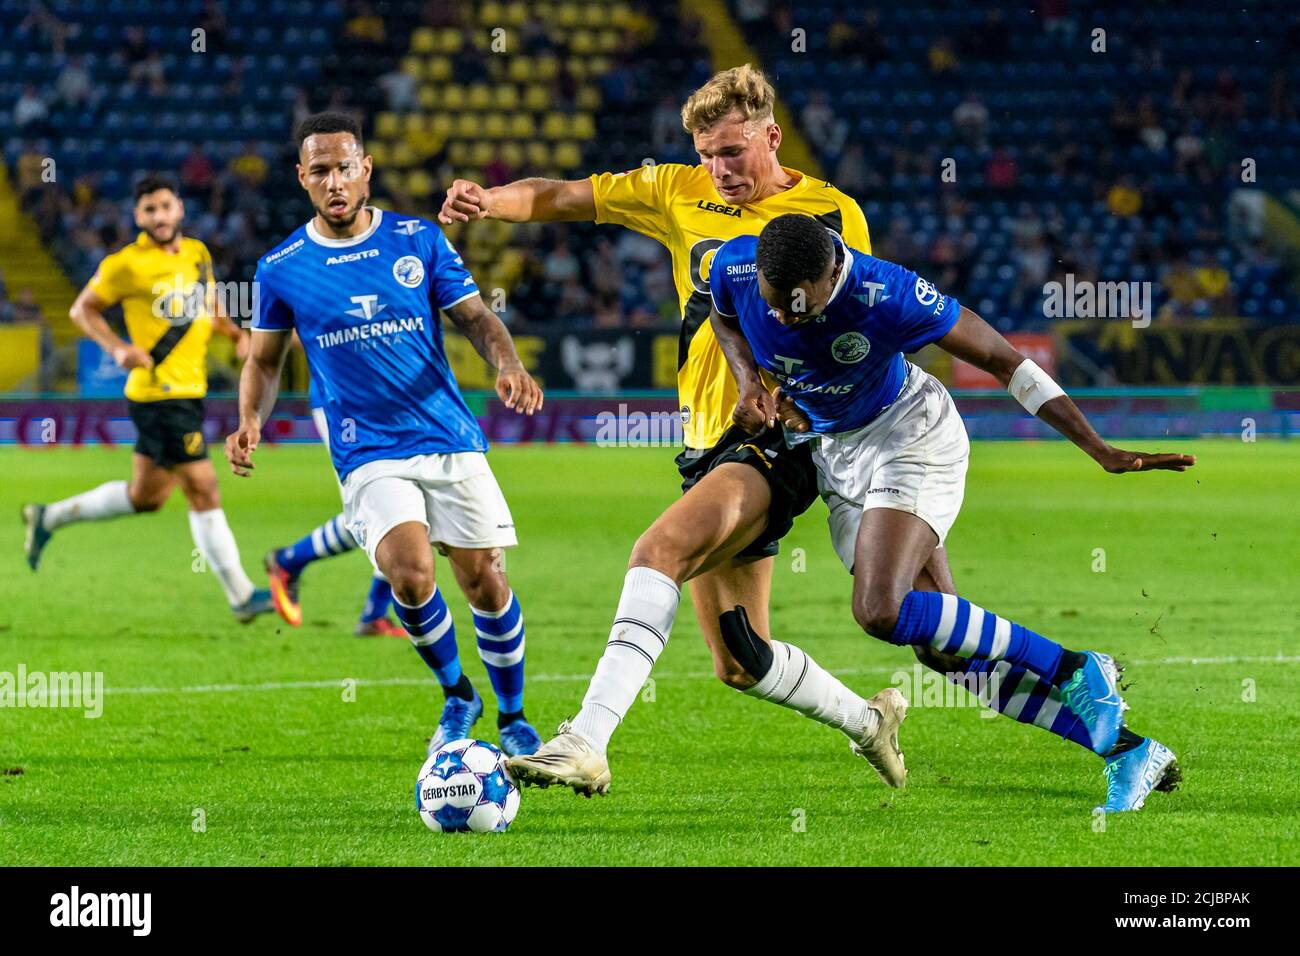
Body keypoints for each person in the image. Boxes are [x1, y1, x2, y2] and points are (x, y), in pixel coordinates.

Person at [444, 65, 912, 795]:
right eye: (706, 154)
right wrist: (489, 202)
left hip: (779, 436)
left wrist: (801, 393)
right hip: (704, 439)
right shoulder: (674, 189)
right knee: (739, 657)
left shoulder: (832, 213)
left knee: (658, 548)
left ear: (771, 136)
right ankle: (869, 723)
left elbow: (859, 322)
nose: (718, 169)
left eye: (732, 151)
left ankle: (585, 741)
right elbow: (565, 196)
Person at [708, 213, 1188, 813]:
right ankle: (1128, 751)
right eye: (776, 307)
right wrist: (747, 378)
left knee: (880, 611)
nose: (782, 319)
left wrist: (1101, 449)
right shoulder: (737, 265)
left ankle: (1076, 667)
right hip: (840, 457)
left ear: (834, 270)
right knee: (944, 652)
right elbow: (723, 315)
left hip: (909, 437)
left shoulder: (890, 294)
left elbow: (1005, 360)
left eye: (797, 310)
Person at [226, 113, 545, 756]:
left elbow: (477, 318)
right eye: (320, 170)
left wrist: (508, 364)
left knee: (484, 578)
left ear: (366, 169)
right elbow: (264, 359)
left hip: (447, 432)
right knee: (409, 572)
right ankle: (459, 695)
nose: (335, 180)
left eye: (346, 166)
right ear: (302, 179)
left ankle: (511, 714)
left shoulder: (418, 239)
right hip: (366, 447)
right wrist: (250, 418)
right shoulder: (282, 267)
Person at [23, 174, 273, 623]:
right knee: (204, 487)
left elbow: (208, 301)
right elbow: (82, 309)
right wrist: (118, 348)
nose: (159, 216)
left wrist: (234, 333)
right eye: (149, 210)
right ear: (138, 217)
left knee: (148, 496)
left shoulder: (197, 253)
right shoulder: (127, 264)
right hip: (160, 395)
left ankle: (49, 517)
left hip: (187, 390)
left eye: (165, 206)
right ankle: (241, 596)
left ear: (179, 207)